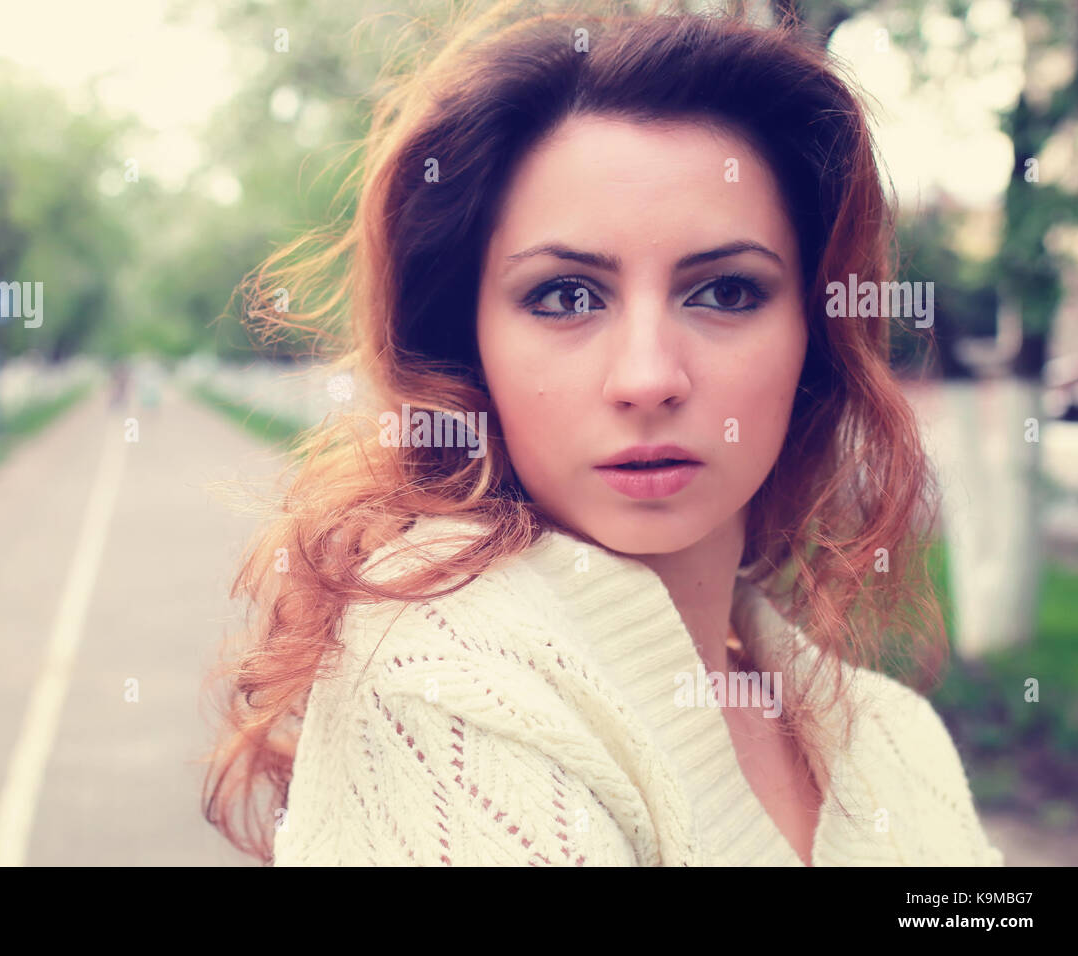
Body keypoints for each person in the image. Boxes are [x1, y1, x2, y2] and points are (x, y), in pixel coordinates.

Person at [201, 0, 1005, 867]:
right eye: (567, 296)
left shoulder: (891, 737)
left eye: (727, 292)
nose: (649, 377)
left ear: (814, 336)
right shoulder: (442, 683)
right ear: (466, 345)